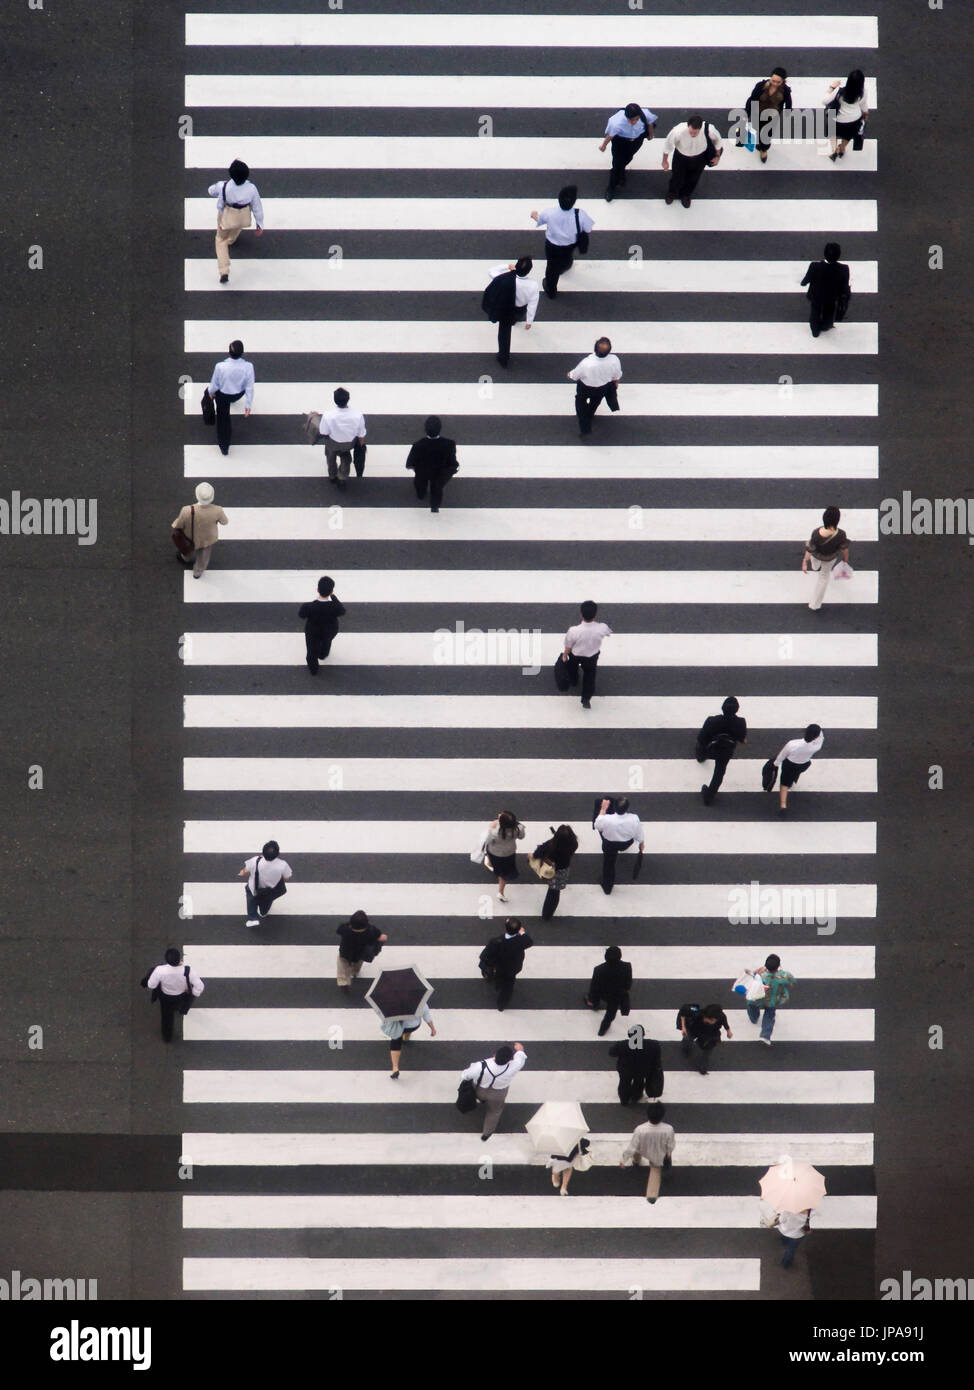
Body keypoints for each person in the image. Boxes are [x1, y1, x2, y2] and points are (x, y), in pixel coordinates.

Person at [529, 185, 595, 297]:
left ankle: (551, 289)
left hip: (552, 245)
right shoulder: (580, 215)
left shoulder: (550, 213)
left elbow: (539, 220)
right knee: (567, 258)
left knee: (551, 267)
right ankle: (564, 266)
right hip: (569, 245)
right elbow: (588, 228)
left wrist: (534, 215)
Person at [207, 159, 264, 283]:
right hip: (243, 215)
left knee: (220, 240)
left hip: (227, 214)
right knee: (237, 227)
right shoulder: (251, 188)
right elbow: (257, 207)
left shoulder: (224, 186)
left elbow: (211, 191)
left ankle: (224, 271)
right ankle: (231, 240)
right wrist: (259, 224)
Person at [459, 1042, 527, 1139]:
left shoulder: (481, 1065)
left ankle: (480, 1100)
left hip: (479, 1089)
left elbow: (466, 1075)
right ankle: (486, 1133)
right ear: (510, 1059)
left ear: (495, 1055)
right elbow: (520, 1059)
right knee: (494, 1112)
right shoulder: (514, 1066)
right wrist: (520, 1050)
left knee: (478, 1097)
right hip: (498, 1094)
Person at [141, 948, 205, 1044]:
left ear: (166, 959)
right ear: (180, 959)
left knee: (167, 1017)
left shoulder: (160, 970)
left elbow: (151, 985)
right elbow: (199, 986)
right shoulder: (188, 971)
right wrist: (193, 993)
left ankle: (167, 1037)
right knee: (178, 1005)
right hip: (181, 995)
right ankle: (178, 1009)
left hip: (165, 997)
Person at [484, 257, 539, 367]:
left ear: (516, 266)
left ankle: (503, 358)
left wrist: (507, 266)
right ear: (529, 271)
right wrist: (529, 321)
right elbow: (533, 304)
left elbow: (492, 271)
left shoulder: (504, 278)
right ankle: (515, 321)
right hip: (519, 309)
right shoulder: (533, 285)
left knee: (504, 335)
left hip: (505, 308)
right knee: (517, 317)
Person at [599, 102, 658, 202]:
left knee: (628, 157)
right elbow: (611, 135)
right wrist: (604, 145)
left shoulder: (645, 114)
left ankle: (620, 171)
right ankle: (611, 187)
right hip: (620, 142)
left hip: (636, 141)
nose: (633, 122)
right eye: (631, 120)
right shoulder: (616, 121)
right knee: (617, 164)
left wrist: (651, 135)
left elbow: (650, 123)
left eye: (636, 119)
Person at [696, 695, 748, 805]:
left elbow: (701, 738)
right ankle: (709, 797)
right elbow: (742, 738)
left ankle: (701, 757)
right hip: (726, 751)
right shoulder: (741, 723)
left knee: (701, 748)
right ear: (737, 709)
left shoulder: (712, 721)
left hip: (711, 748)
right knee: (719, 773)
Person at [661, 114, 723, 208]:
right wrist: (665, 160)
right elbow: (668, 145)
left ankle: (685, 195)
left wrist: (717, 156)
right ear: (688, 126)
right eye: (691, 132)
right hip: (681, 157)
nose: (692, 135)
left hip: (700, 158)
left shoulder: (709, 129)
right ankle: (671, 193)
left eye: (695, 133)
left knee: (693, 178)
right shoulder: (678, 131)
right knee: (677, 177)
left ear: (700, 128)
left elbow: (718, 142)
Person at [206, 340, 254, 455]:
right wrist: (248, 405)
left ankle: (224, 447)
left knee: (223, 420)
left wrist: (210, 394)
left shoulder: (220, 366)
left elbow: (214, 384)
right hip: (238, 393)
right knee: (225, 415)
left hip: (223, 395)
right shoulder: (248, 367)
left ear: (229, 353)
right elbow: (249, 386)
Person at [560, 600, 612, 709]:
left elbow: (568, 645)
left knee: (572, 669)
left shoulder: (574, 630)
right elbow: (608, 632)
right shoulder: (602, 627)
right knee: (590, 676)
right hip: (592, 656)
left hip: (575, 655)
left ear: (581, 614)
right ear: (595, 614)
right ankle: (586, 699)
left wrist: (565, 655)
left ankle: (574, 681)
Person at [620, 1102, 675, 1203]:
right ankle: (652, 1195)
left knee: (636, 1152)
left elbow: (632, 1146)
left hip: (643, 1149)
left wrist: (623, 1160)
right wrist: (668, 1154)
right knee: (655, 1172)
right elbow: (670, 1145)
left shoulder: (640, 1129)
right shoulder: (668, 1129)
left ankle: (636, 1161)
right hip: (658, 1155)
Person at [172, 482, 228, 579]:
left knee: (187, 548)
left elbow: (179, 524)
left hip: (190, 535)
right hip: (207, 538)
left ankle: (186, 558)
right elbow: (224, 522)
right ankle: (198, 572)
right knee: (203, 556)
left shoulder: (186, 510)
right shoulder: (218, 510)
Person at [568, 339, 622, 436]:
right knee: (595, 401)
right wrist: (616, 382)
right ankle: (590, 414)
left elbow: (575, 376)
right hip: (603, 387)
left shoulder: (587, 363)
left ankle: (585, 427)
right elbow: (617, 374)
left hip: (585, 387)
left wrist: (570, 374)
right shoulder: (614, 360)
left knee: (580, 402)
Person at [405, 416, 458, 513]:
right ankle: (435, 506)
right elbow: (452, 461)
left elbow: (410, 462)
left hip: (422, 472)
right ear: (440, 429)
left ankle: (421, 494)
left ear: (425, 429)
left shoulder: (418, 445)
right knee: (437, 488)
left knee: (420, 484)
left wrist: (415, 468)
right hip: (440, 473)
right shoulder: (449, 444)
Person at [316, 387, 366, 490]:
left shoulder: (328, 415)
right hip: (348, 443)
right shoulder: (357, 415)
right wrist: (361, 446)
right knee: (346, 458)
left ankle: (332, 475)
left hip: (332, 442)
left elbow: (323, 432)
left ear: (335, 400)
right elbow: (361, 434)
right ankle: (342, 477)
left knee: (330, 458)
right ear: (348, 399)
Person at [479, 917, 533, 1011]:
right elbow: (529, 941)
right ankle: (501, 1005)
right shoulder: (521, 942)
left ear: (505, 928)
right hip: (512, 969)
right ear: (518, 930)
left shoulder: (496, 941)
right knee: (507, 989)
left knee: (496, 977)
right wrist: (522, 932)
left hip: (498, 968)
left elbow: (486, 955)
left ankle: (493, 981)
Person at [594, 796, 644, 895]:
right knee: (610, 863)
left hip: (610, 844)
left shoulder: (607, 819)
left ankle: (607, 887)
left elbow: (597, 825)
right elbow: (639, 832)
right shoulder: (634, 818)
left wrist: (603, 809)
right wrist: (641, 843)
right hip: (625, 843)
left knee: (608, 865)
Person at [802, 505, 850, 609]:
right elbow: (844, 548)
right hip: (830, 558)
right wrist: (845, 558)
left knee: (815, 564)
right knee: (824, 577)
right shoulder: (841, 534)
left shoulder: (816, 533)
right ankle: (815, 604)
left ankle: (814, 567)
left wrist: (805, 561)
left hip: (816, 555)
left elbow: (810, 549)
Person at [298, 576, 346, 675]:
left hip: (313, 631)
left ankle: (314, 669)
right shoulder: (334, 607)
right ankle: (323, 654)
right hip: (329, 630)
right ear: (331, 591)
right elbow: (342, 610)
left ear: (317, 590)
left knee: (311, 652)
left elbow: (301, 615)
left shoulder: (308, 607)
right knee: (326, 643)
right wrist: (333, 596)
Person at [743, 67, 793, 162]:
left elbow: (788, 103)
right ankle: (759, 143)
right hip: (757, 113)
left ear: (783, 81)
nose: (775, 84)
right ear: (770, 78)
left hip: (772, 117)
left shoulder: (785, 90)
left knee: (767, 135)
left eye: (778, 82)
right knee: (757, 129)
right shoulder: (761, 86)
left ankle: (764, 149)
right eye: (773, 81)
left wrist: (788, 112)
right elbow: (752, 99)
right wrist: (746, 113)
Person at [238, 840, 292, 926]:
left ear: (263, 853)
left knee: (251, 899)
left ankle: (252, 918)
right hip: (270, 889)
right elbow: (287, 877)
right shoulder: (283, 865)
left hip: (254, 886)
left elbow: (245, 871)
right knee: (267, 900)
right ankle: (263, 912)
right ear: (278, 854)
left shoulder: (255, 861)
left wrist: (242, 872)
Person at [800, 244, 851, 338]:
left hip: (816, 295)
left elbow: (805, 280)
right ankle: (825, 326)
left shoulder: (814, 266)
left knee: (815, 311)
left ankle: (815, 331)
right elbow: (844, 285)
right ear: (838, 255)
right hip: (831, 297)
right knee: (829, 312)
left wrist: (803, 283)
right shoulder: (844, 269)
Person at [745, 953, 795, 1044]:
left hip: (756, 997)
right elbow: (791, 981)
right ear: (778, 966)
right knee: (769, 1014)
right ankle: (765, 1035)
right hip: (772, 999)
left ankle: (754, 1018)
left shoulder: (761, 974)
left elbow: (751, 976)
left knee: (752, 1007)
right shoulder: (784, 976)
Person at [773, 723, 825, 812]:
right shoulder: (817, 745)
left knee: (784, 784)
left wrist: (776, 764)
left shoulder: (793, 744)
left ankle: (783, 804)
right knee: (795, 774)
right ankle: (793, 780)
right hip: (804, 764)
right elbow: (821, 735)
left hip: (790, 764)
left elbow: (782, 755)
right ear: (816, 737)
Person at [608, 1027, 664, 1106]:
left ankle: (624, 1100)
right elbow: (657, 1058)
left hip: (625, 1069)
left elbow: (611, 1053)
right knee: (639, 1082)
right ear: (643, 1034)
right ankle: (635, 1097)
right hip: (642, 1070)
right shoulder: (653, 1045)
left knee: (624, 1083)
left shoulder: (622, 1045)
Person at [584, 946, 633, 1036]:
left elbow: (594, 987)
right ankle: (602, 1031)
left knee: (597, 1000)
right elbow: (628, 985)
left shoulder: (599, 969)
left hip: (602, 992)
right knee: (610, 1014)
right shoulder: (627, 967)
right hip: (617, 995)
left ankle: (594, 1004)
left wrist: (591, 999)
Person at [336, 910, 387, 993]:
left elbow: (339, 930)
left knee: (342, 967)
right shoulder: (370, 931)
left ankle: (343, 983)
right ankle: (354, 972)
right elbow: (382, 937)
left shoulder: (345, 930)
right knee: (357, 963)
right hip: (360, 953)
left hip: (345, 952)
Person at [383, 1001, 436, 1081]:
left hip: (400, 1026)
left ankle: (395, 1067)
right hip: (414, 1026)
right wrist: (433, 1029)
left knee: (395, 1042)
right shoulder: (422, 1003)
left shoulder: (396, 1003)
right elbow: (427, 1017)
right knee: (407, 1031)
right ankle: (406, 1038)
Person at [536, 824, 579, 920]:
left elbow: (537, 853)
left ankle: (546, 915)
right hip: (563, 869)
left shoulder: (551, 845)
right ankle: (547, 914)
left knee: (552, 892)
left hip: (550, 868)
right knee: (555, 893)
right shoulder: (574, 844)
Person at [678, 1002, 732, 1074]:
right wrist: (683, 1027)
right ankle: (686, 1049)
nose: (713, 1022)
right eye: (711, 1020)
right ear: (705, 1016)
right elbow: (683, 1010)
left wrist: (728, 1031)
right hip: (695, 1030)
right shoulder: (696, 1013)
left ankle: (703, 1069)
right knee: (687, 1040)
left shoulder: (721, 1016)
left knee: (707, 1052)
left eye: (714, 1020)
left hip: (710, 1034)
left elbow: (725, 1023)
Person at [482, 811, 525, 902]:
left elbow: (487, 841)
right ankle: (500, 892)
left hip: (494, 852)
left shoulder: (494, 830)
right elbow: (522, 836)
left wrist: (491, 827)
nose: (499, 815)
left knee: (501, 873)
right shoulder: (518, 828)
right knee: (504, 870)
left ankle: (500, 892)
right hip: (508, 853)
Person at [826, 69, 868, 161]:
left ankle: (834, 149)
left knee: (833, 133)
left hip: (838, 119)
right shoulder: (863, 92)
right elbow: (863, 105)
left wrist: (831, 88)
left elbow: (825, 101)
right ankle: (842, 148)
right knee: (848, 135)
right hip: (854, 119)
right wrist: (865, 113)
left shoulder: (840, 91)